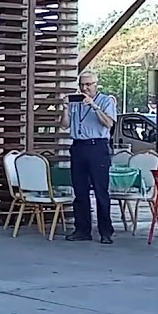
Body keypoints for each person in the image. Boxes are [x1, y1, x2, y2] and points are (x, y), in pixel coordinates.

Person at [61, 70, 117, 244]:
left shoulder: (105, 100)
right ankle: (82, 230)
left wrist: (94, 106)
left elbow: (109, 123)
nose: (84, 88)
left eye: (88, 85)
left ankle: (105, 231)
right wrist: (65, 109)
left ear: (96, 85)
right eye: (81, 85)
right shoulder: (76, 102)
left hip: (97, 147)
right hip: (78, 147)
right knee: (80, 191)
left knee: (101, 191)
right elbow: (64, 125)